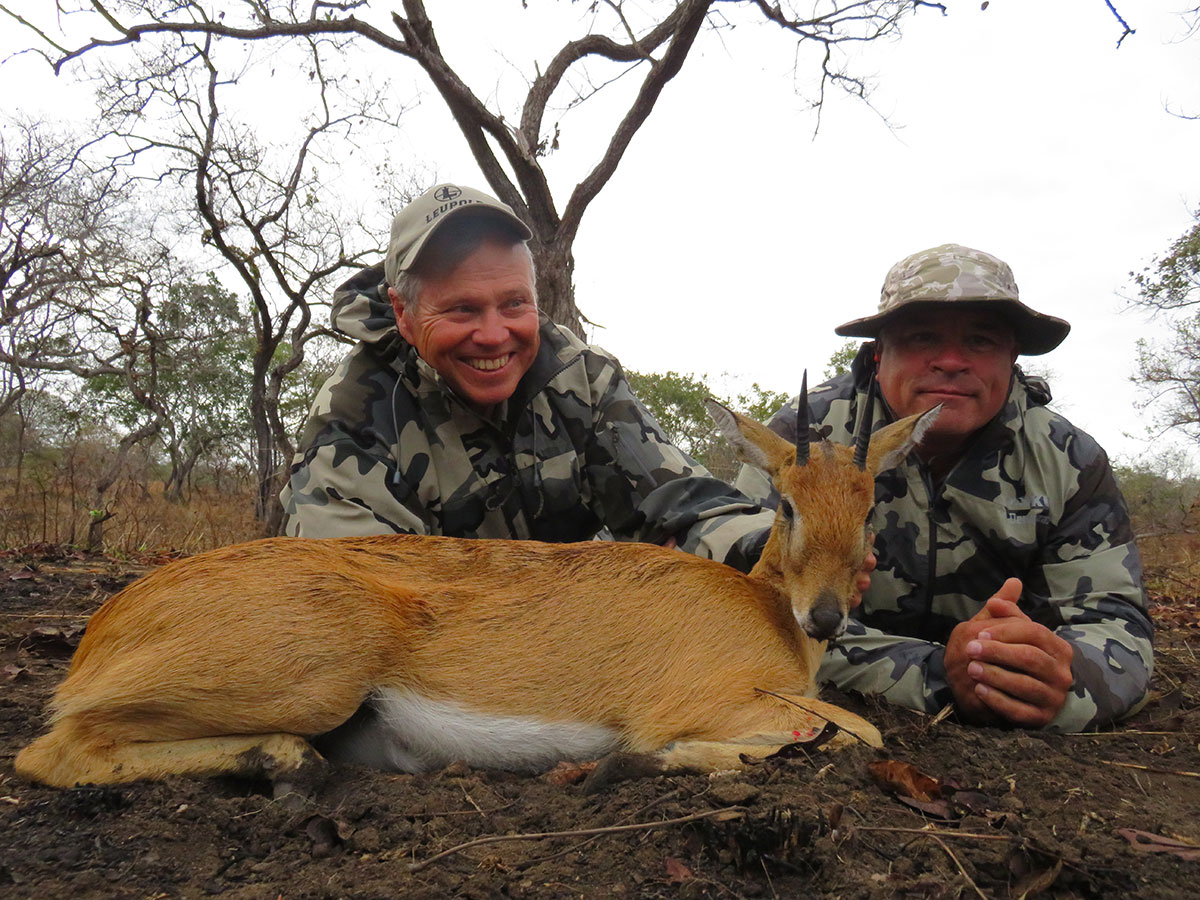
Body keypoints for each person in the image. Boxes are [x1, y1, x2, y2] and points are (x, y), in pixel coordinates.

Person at [737, 244, 1153, 732]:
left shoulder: (1069, 461)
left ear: (1012, 357)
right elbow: (748, 606)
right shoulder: (802, 439)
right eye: (922, 338)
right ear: (877, 354)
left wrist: (1064, 679)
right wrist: (935, 676)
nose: (952, 361)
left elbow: (1117, 626)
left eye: (980, 341)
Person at [281, 182, 774, 570]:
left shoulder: (580, 377)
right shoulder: (351, 418)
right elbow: (378, 606)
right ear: (403, 312)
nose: (495, 336)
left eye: (514, 304)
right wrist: (609, 584)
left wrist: (774, 550)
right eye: (462, 310)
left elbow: (684, 504)